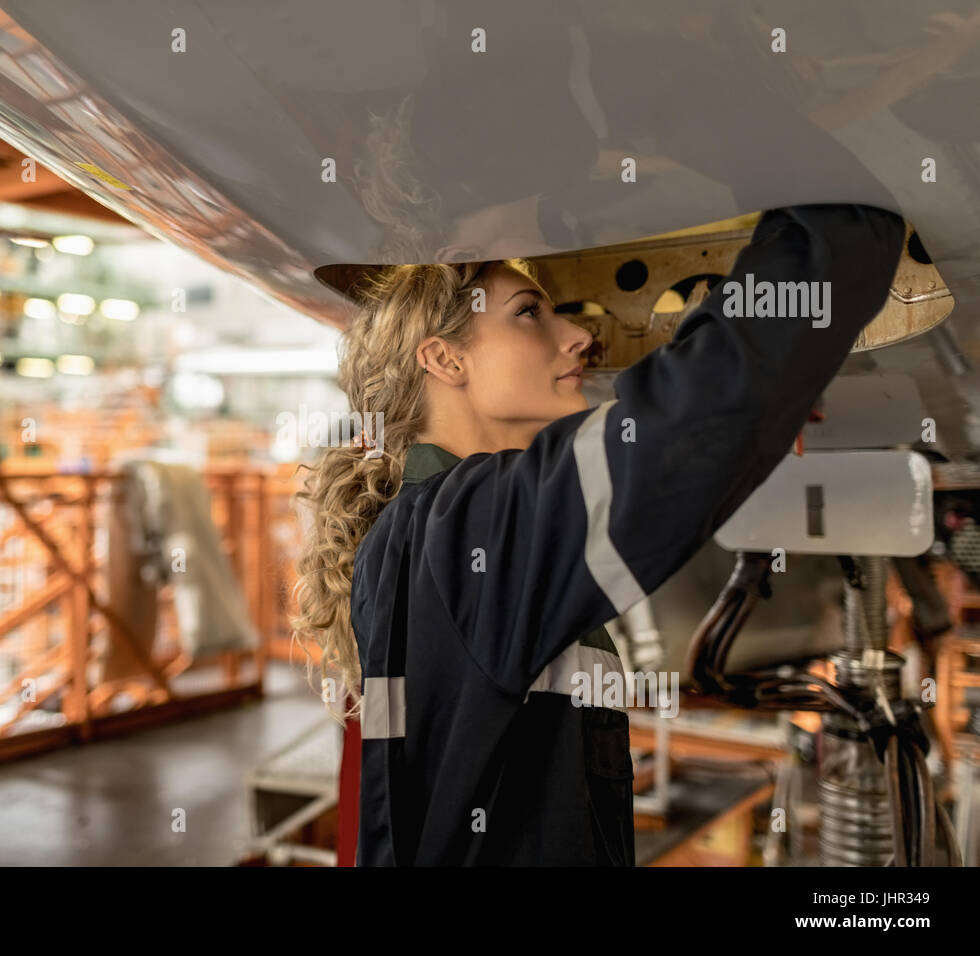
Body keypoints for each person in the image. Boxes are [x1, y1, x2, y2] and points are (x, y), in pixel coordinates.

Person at [291, 203, 906, 865]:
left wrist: (757, 417)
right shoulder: (464, 530)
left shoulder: (445, 533)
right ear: (444, 358)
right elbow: (687, 426)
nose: (579, 336)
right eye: (530, 313)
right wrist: (832, 225)